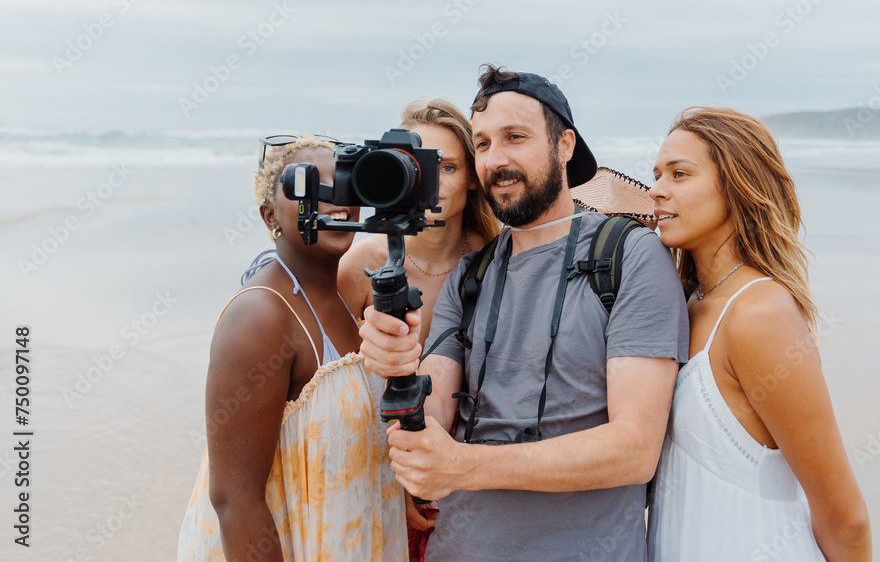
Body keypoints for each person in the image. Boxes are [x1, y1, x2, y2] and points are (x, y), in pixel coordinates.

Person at [359, 66, 689, 561]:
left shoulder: (629, 256)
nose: (497, 159)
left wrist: (464, 465)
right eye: (484, 144)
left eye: (515, 137)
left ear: (564, 146)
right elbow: (432, 414)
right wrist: (396, 365)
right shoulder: (470, 277)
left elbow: (635, 449)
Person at [645, 108, 872, 561]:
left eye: (680, 174)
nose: (656, 190)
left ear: (736, 184)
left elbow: (846, 516)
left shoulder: (759, 315)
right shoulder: (686, 304)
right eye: (656, 174)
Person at [178, 135, 407, 562]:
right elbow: (234, 498)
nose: (333, 197)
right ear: (271, 217)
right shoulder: (260, 316)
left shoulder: (344, 298)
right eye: (306, 185)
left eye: (343, 181)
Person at [338, 99, 500, 560]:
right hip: (379, 468)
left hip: (471, 472)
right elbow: (334, 382)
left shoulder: (497, 259)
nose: (432, 183)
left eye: (446, 166)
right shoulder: (366, 266)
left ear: (472, 175)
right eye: (418, 167)